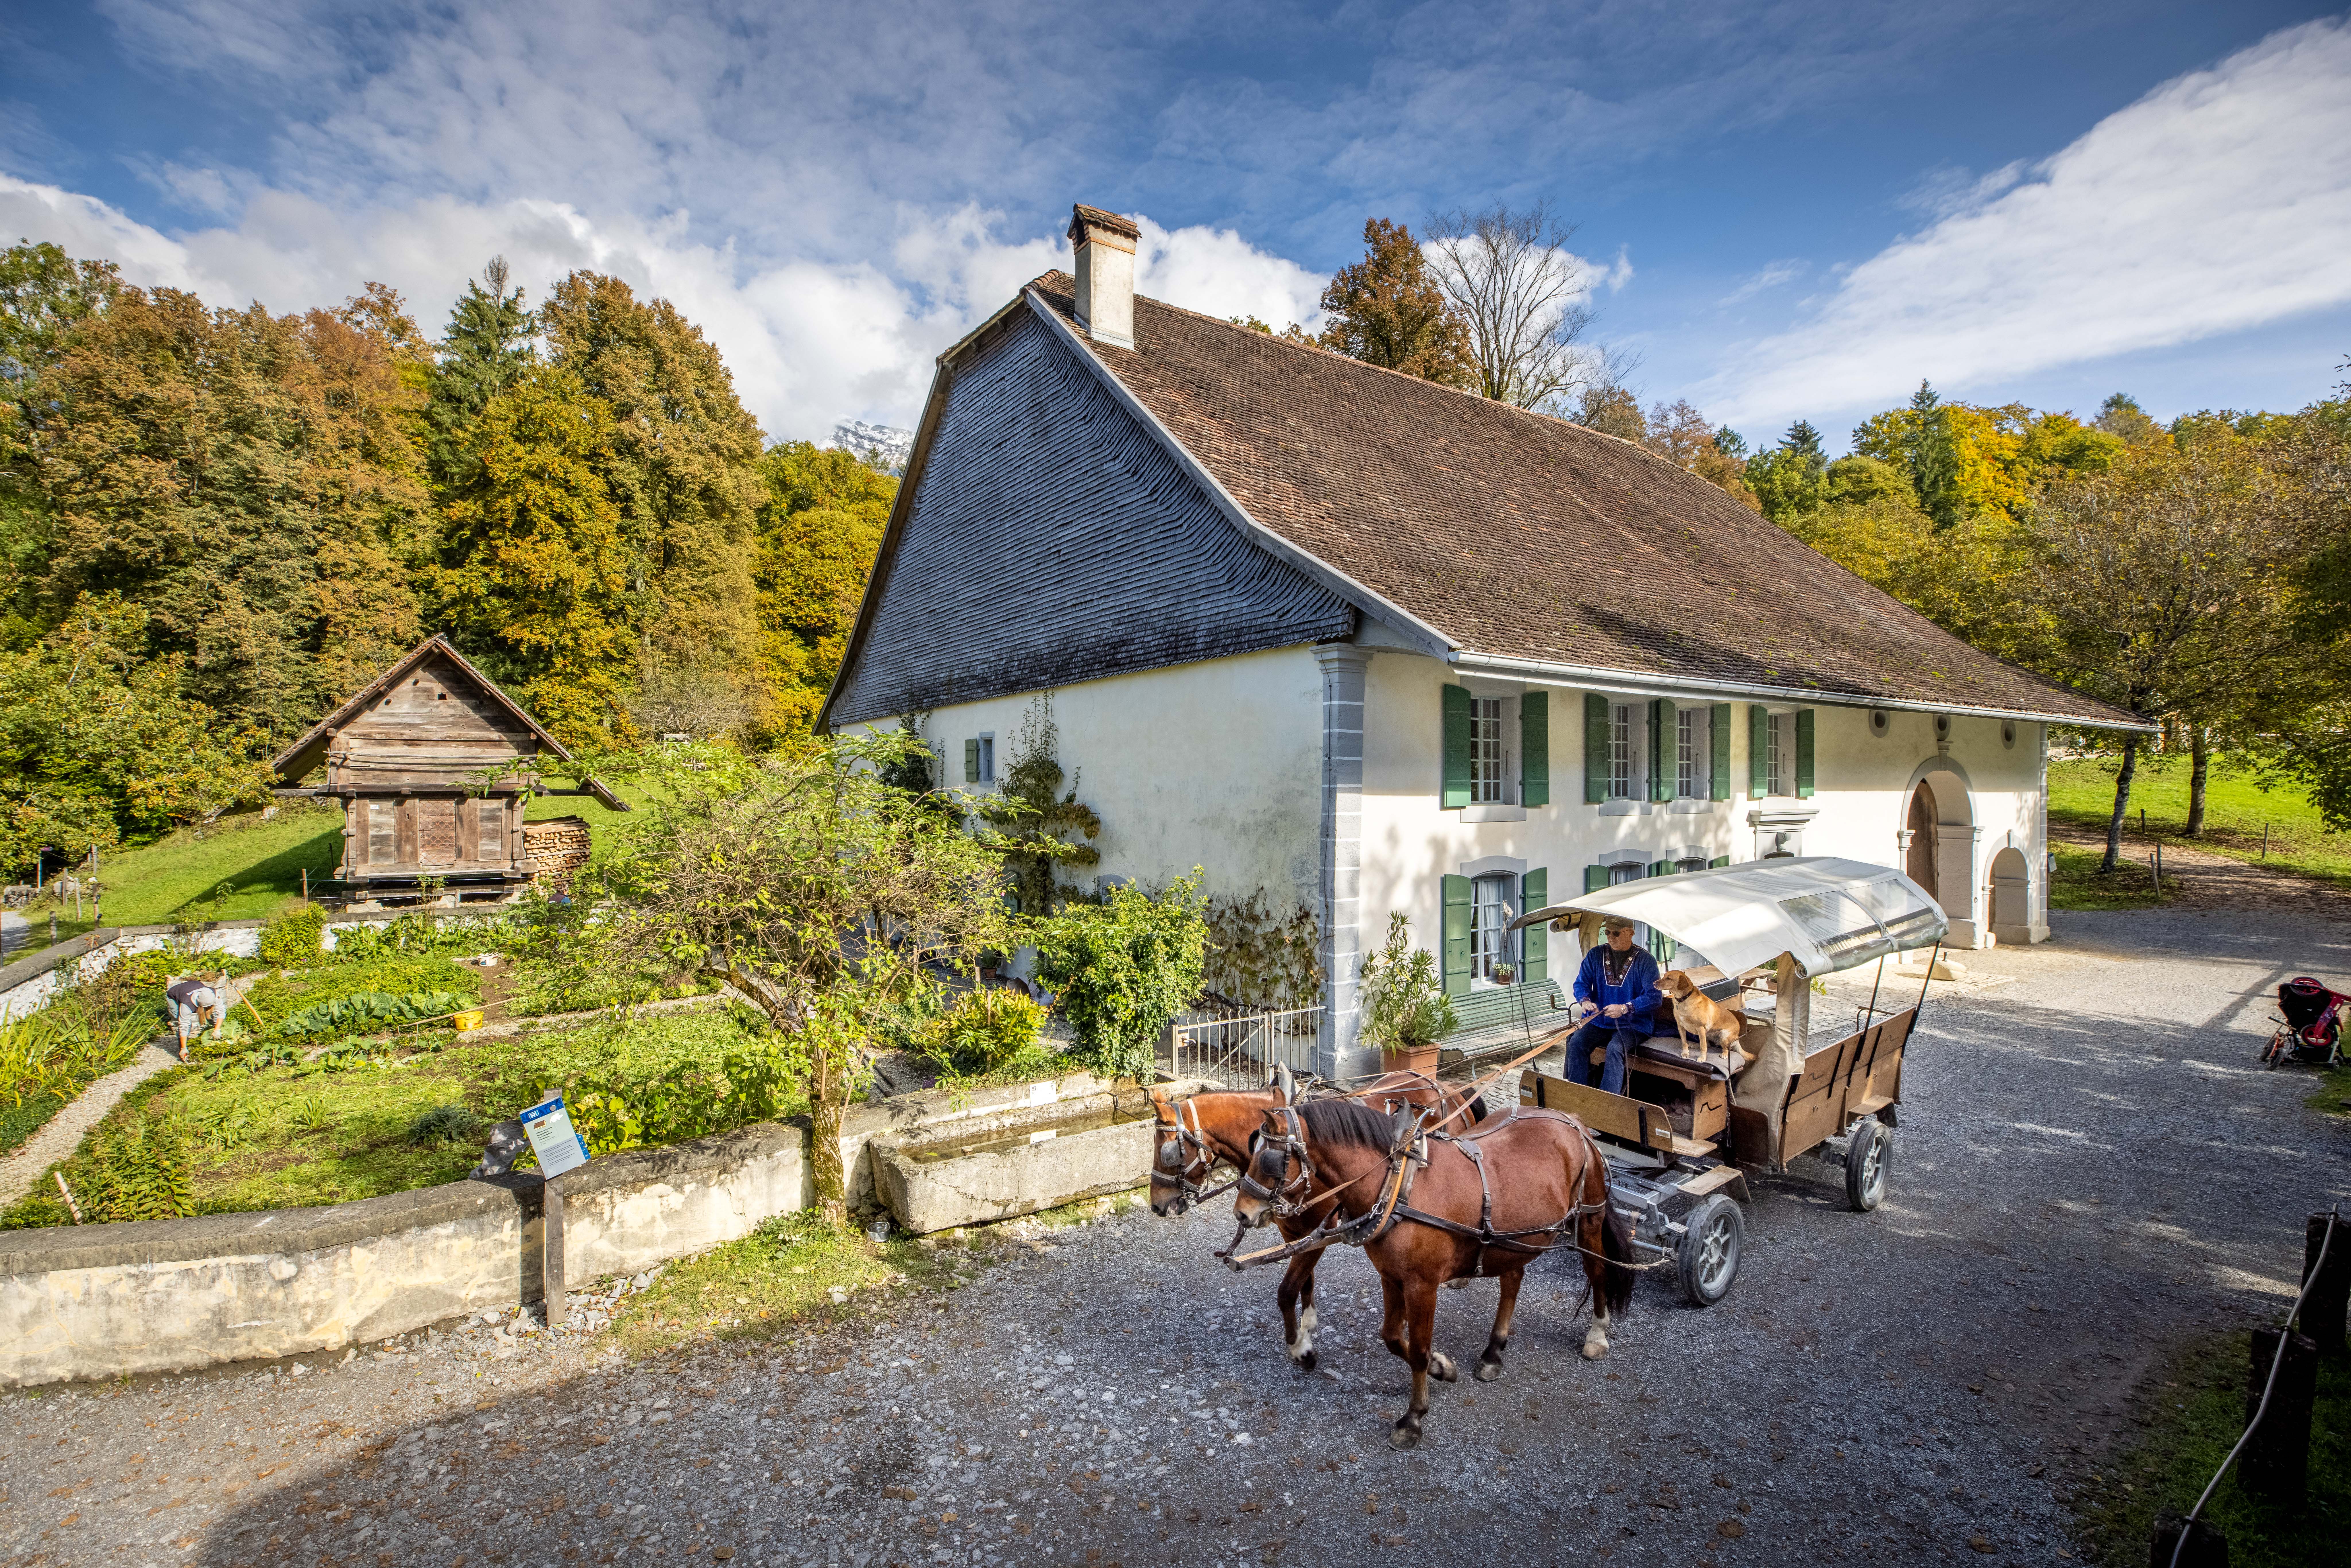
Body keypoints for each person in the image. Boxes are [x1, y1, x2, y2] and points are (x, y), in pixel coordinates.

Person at [1565, 917, 1662, 1096]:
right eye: (1607, 932)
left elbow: (1654, 997)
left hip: (1633, 1024)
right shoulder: (1595, 955)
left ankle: (1607, 1103)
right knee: (1576, 1043)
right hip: (1600, 1020)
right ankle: (1577, 1096)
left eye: (1616, 933)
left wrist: (1625, 1008)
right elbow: (1581, 984)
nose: (1611, 937)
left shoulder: (1646, 961)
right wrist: (1585, 1001)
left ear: (1631, 933)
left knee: (1615, 1049)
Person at [165, 973, 227, 1062]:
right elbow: (184, 1025)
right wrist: (184, 1048)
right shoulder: (187, 1004)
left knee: (213, 1016)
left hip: (192, 986)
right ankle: (183, 1051)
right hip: (174, 996)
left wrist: (217, 1030)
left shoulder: (213, 994)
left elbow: (221, 1012)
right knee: (181, 1023)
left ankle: (218, 1037)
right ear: (200, 1006)